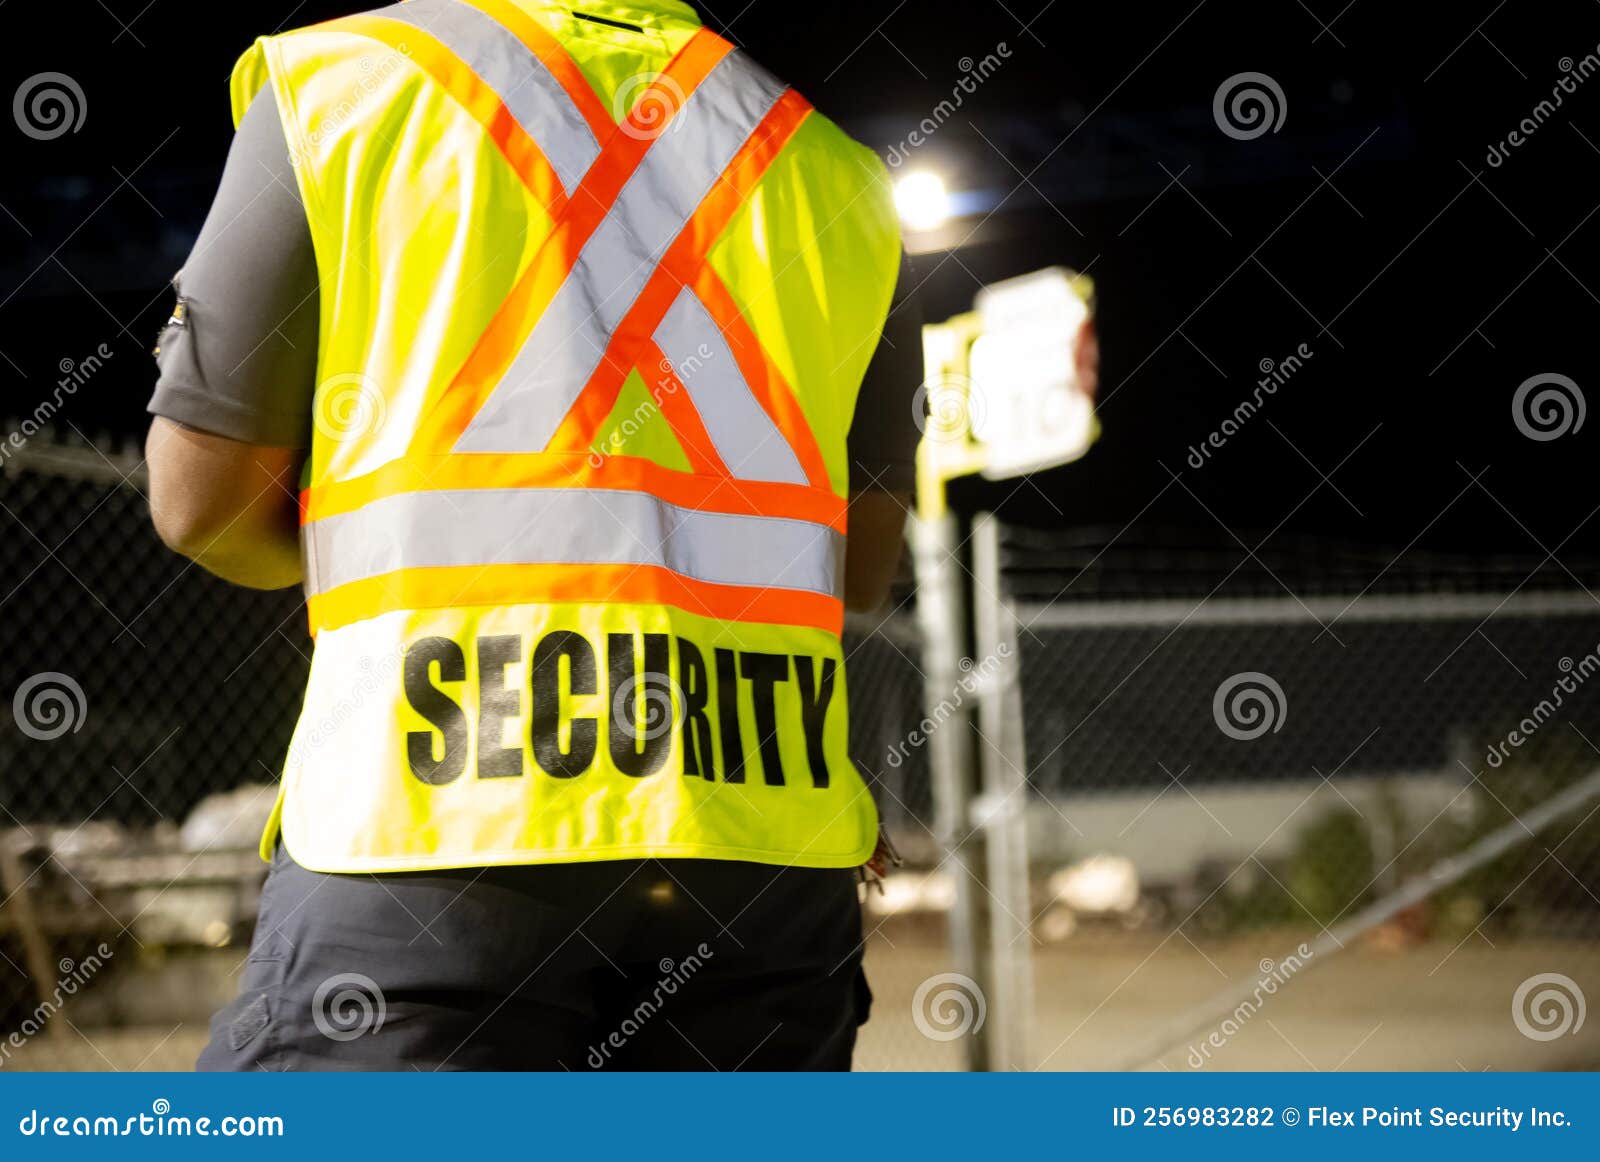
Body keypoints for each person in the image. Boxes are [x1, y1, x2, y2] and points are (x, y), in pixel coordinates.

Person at [144, 0, 920, 1071]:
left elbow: (200, 501)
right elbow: (862, 567)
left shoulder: (346, 81)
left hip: (429, 831)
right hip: (763, 854)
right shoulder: (833, 166)